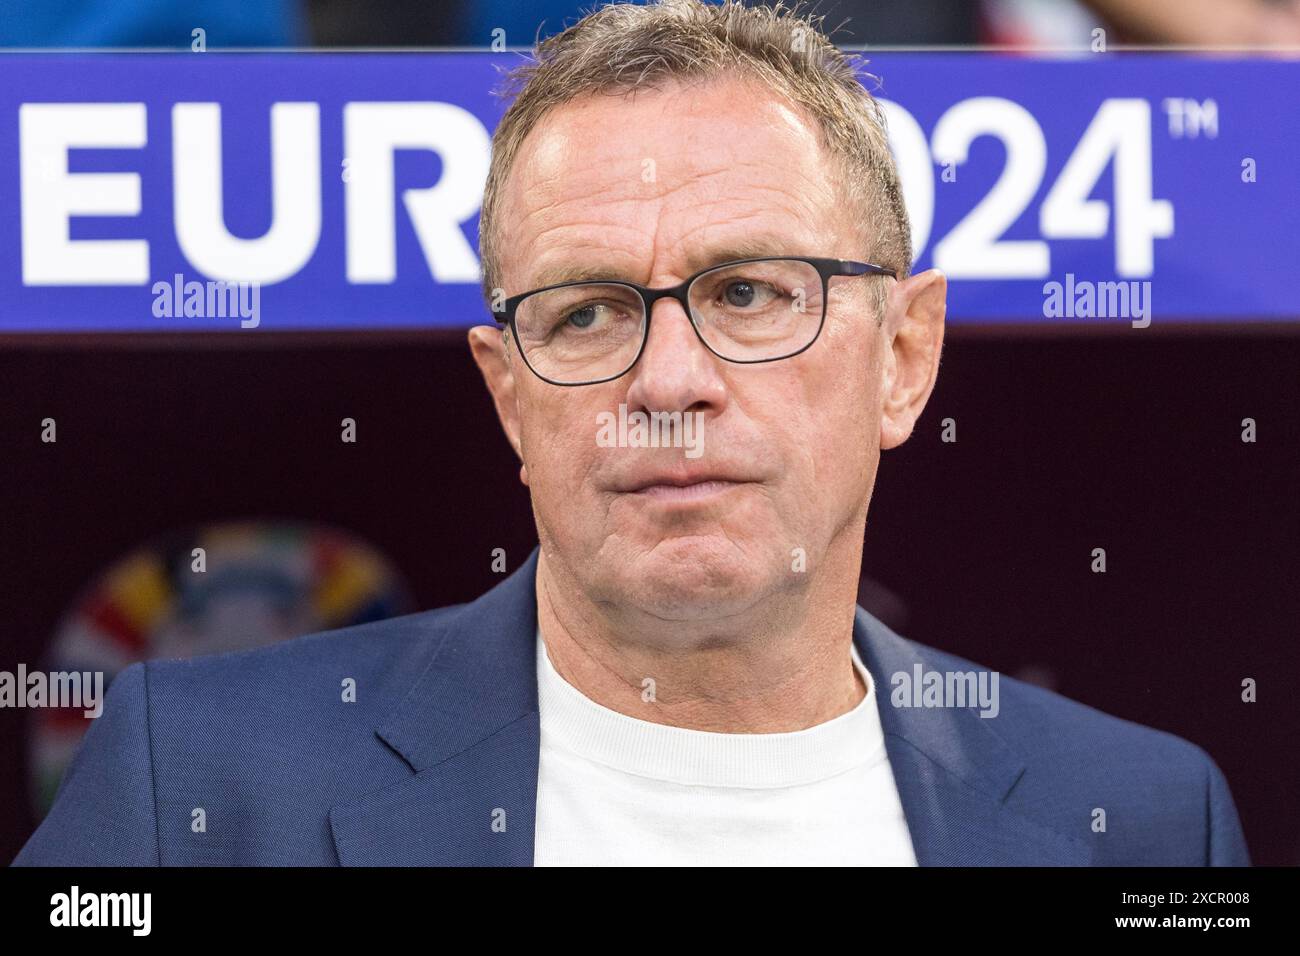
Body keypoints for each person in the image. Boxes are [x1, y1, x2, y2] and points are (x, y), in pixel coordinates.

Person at [14, 0, 1249, 866]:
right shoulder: (194, 783)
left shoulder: (1140, 818)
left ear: (904, 357)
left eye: (750, 293)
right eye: (591, 310)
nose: (671, 381)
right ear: (507, 392)